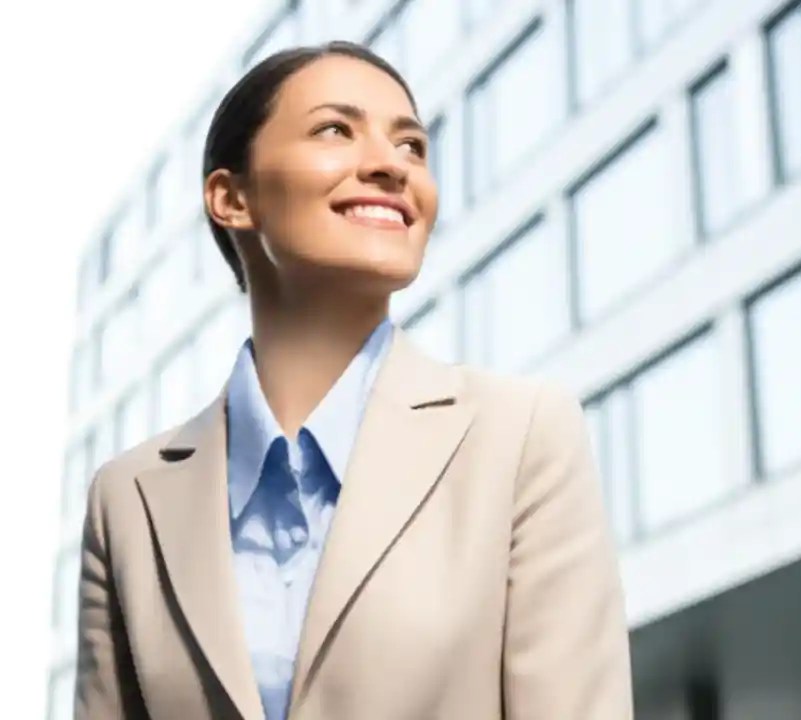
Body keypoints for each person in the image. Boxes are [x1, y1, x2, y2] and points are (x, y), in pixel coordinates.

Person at [75, 41, 632, 720]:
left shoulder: (521, 437)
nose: (390, 166)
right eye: (335, 129)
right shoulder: (128, 499)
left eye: (412, 147)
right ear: (231, 197)